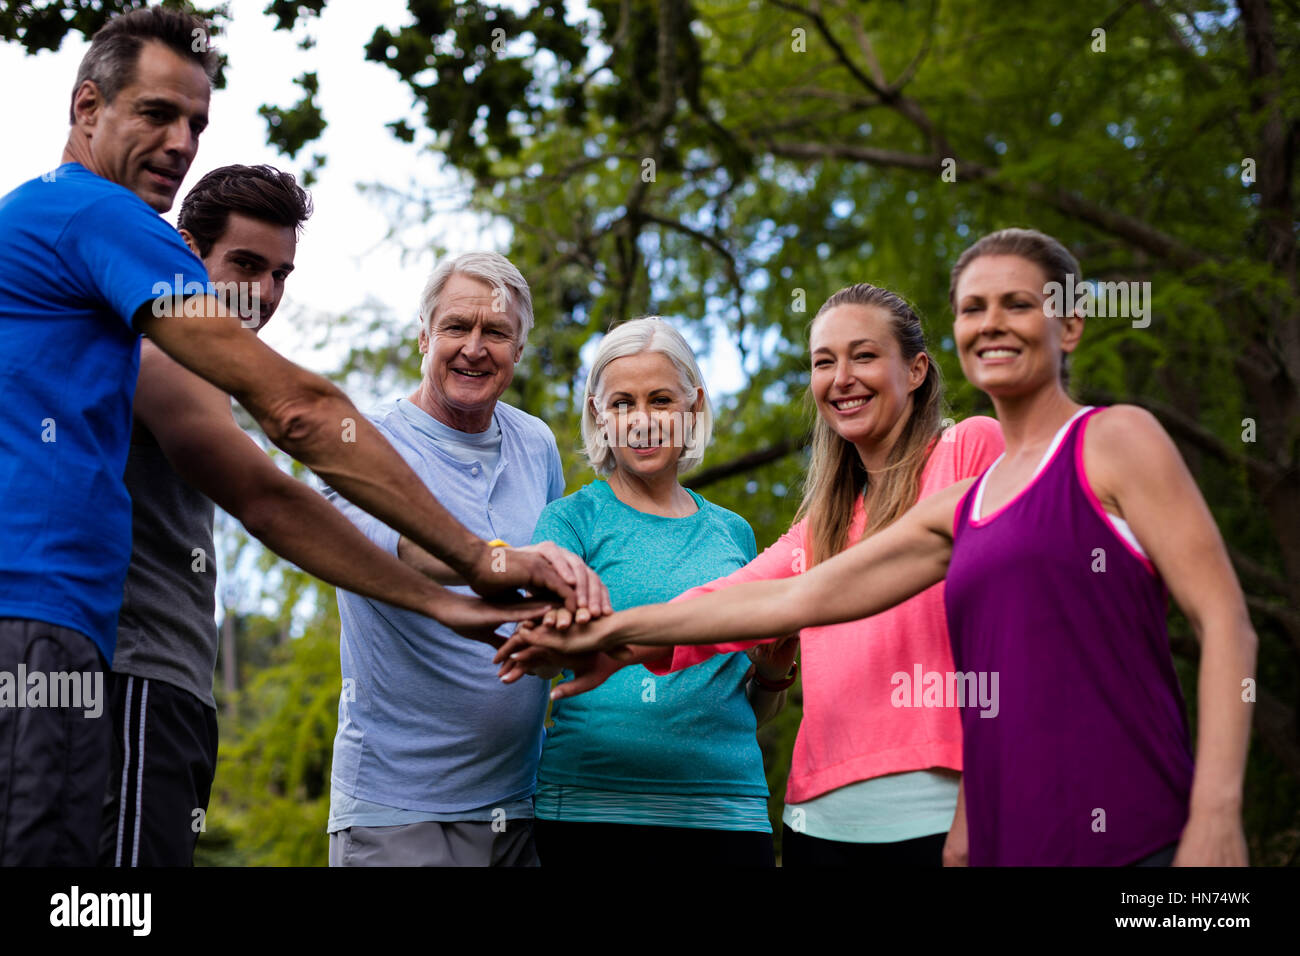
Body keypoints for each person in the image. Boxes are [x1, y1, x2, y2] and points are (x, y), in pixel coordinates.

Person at [0, 7, 573, 867]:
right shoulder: (104, 222)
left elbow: (273, 487)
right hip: (57, 631)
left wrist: (457, 599)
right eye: (157, 113)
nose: (181, 141)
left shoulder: (71, 263)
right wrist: (475, 564)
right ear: (87, 109)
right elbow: (289, 443)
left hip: (98, 647)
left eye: (197, 121)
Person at [509, 228, 1258, 867]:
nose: (841, 379)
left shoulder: (988, 456)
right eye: (823, 361)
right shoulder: (851, 524)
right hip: (821, 823)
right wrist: (619, 636)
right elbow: (766, 600)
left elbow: (1217, 622)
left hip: (1038, 811)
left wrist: (1218, 811)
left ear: (920, 367)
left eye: (864, 356)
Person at [102, 164, 545, 867]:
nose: (265, 294)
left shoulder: (535, 444)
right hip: (124, 683)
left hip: (176, 686)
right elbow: (276, 497)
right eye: (246, 265)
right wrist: (465, 579)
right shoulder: (158, 361)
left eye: (281, 274)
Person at [326, 252, 611, 868]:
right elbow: (403, 552)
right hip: (398, 809)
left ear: (519, 349)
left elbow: (543, 589)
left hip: (522, 802)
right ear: (424, 336)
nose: (474, 349)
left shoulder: (535, 443)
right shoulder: (365, 442)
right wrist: (508, 562)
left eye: (497, 332)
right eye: (456, 328)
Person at [524, 317, 791, 868]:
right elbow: (545, 652)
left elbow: (756, 708)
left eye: (661, 400)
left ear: (693, 407)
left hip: (725, 814)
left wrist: (770, 672)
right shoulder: (570, 521)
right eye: (622, 403)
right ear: (600, 416)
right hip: (589, 813)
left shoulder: (734, 534)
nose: (642, 421)